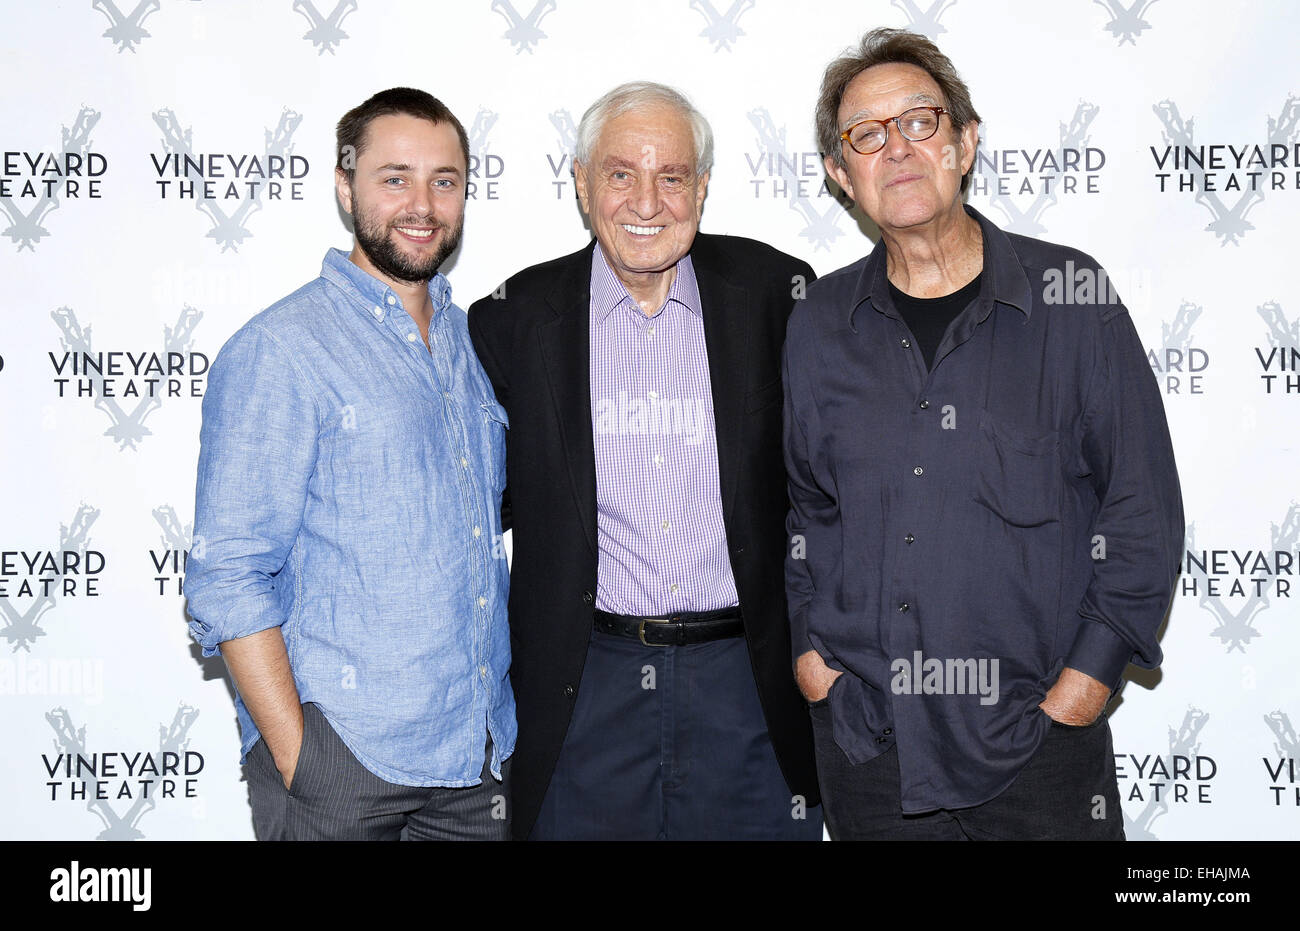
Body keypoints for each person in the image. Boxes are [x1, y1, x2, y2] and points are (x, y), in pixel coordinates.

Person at [785, 29, 1183, 840]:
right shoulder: (818, 322)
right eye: (867, 134)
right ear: (840, 174)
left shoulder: (1075, 299)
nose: (897, 147)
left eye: (921, 121)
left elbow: (1142, 513)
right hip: (871, 748)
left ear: (966, 142)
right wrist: (811, 656)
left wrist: (1084, 685)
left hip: (1038, 753)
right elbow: (804, 508)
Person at [469, 82, 820, 840]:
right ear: (582, 182)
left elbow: (830, 489)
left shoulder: (779, 294)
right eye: (622, 173)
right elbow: (470, 500)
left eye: (673, 177)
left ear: (702, 187)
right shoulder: (513, 317)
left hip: (748, 683)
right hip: (585, 685)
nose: (648, 201)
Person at [184, 87, 513, 841]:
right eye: (394, 177)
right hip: (345, 764)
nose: (422, 203)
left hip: (478, 757)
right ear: (345, 185)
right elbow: (228, 572)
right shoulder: (283, 348)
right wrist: (305, 760)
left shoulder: (477, 344)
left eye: (445, 180)